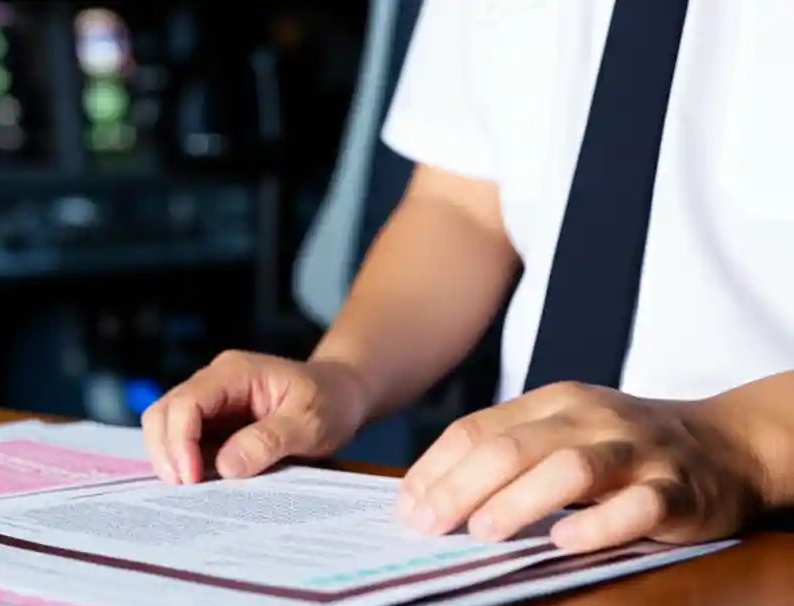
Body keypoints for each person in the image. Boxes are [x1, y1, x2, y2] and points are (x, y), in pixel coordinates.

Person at [140, 0, 794, 553]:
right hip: (527, 526)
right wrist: (343, 376)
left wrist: (745, 446)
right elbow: (461, 206)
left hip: (762, 542)